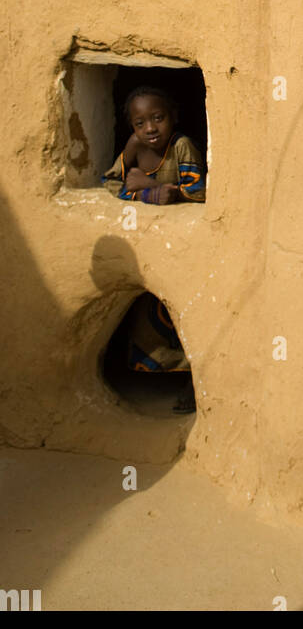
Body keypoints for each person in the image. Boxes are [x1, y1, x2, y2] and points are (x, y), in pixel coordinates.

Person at [102, 87, 206, 413]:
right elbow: (112, 185)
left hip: (187, 248)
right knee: (147, 313)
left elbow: (199, 190)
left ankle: (194, 384)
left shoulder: (181, 146)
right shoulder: (136, 149)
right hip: (149, 247)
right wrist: (150, 193)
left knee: (186, 314)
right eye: (139, 123)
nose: (150, 128)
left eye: (158, 118)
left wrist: (151, 187)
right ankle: (152, 378)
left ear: (173, 116)